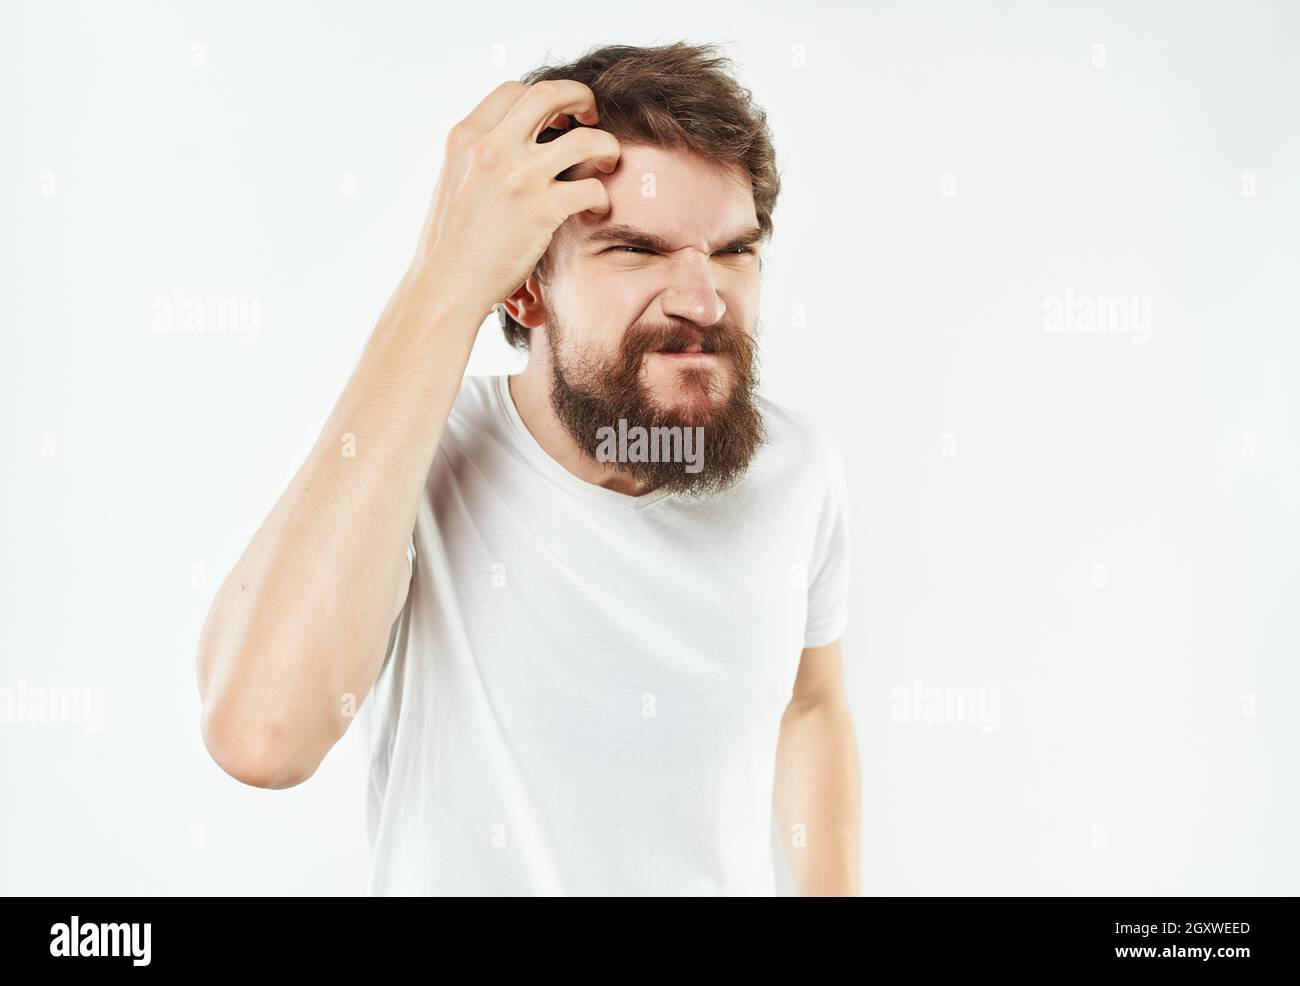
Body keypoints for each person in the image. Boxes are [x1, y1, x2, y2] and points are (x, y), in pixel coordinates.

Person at [196, 41, 860, 896]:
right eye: (637, 250)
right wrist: (446, 277)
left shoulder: (798, 470)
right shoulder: (416, 456)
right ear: (525, 289)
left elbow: (811, 704)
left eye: (733, 252)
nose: (703, 302)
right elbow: (261, 735)